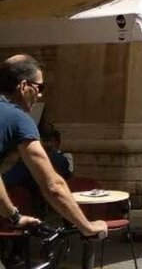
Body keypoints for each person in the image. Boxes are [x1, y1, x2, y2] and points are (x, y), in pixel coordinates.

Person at [0, 55, 107, 239]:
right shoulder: (18, 119)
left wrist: (13, 216)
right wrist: (87, 226)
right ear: (24, 86)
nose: (40, 95)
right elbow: (52, 185)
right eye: (39, 87)